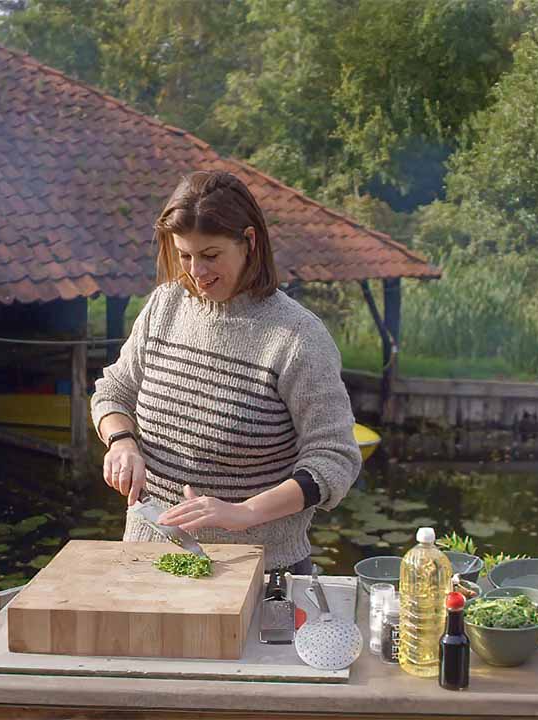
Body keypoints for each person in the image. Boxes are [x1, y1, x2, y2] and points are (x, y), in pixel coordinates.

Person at [90, 170, 362, 574]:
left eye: (211, 255)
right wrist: (121, 441)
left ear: (249, 242)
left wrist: (246, 512)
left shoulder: (297, 337)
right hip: (150, 560)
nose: (196, 272)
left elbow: (335, 460)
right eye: (185, 255)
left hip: (260, 568)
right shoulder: (165, 305)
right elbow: (113, 390)